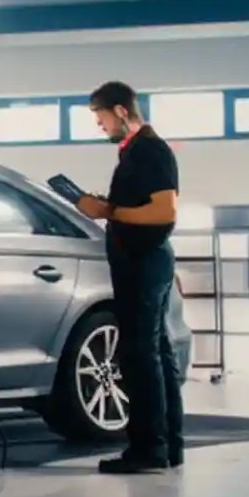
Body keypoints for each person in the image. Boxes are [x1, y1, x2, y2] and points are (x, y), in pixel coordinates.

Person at [75, 81, 183, 474]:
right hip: (144, 263)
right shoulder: (137, 152)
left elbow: (163, 213)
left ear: (120, 111)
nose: (99, 125)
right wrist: (108, 207)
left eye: (100, 116)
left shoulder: (149, 151)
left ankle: (147, 449)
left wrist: (108, 212)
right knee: (156, 354)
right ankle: (168, 445)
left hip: (144, 263)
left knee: (140, 356)